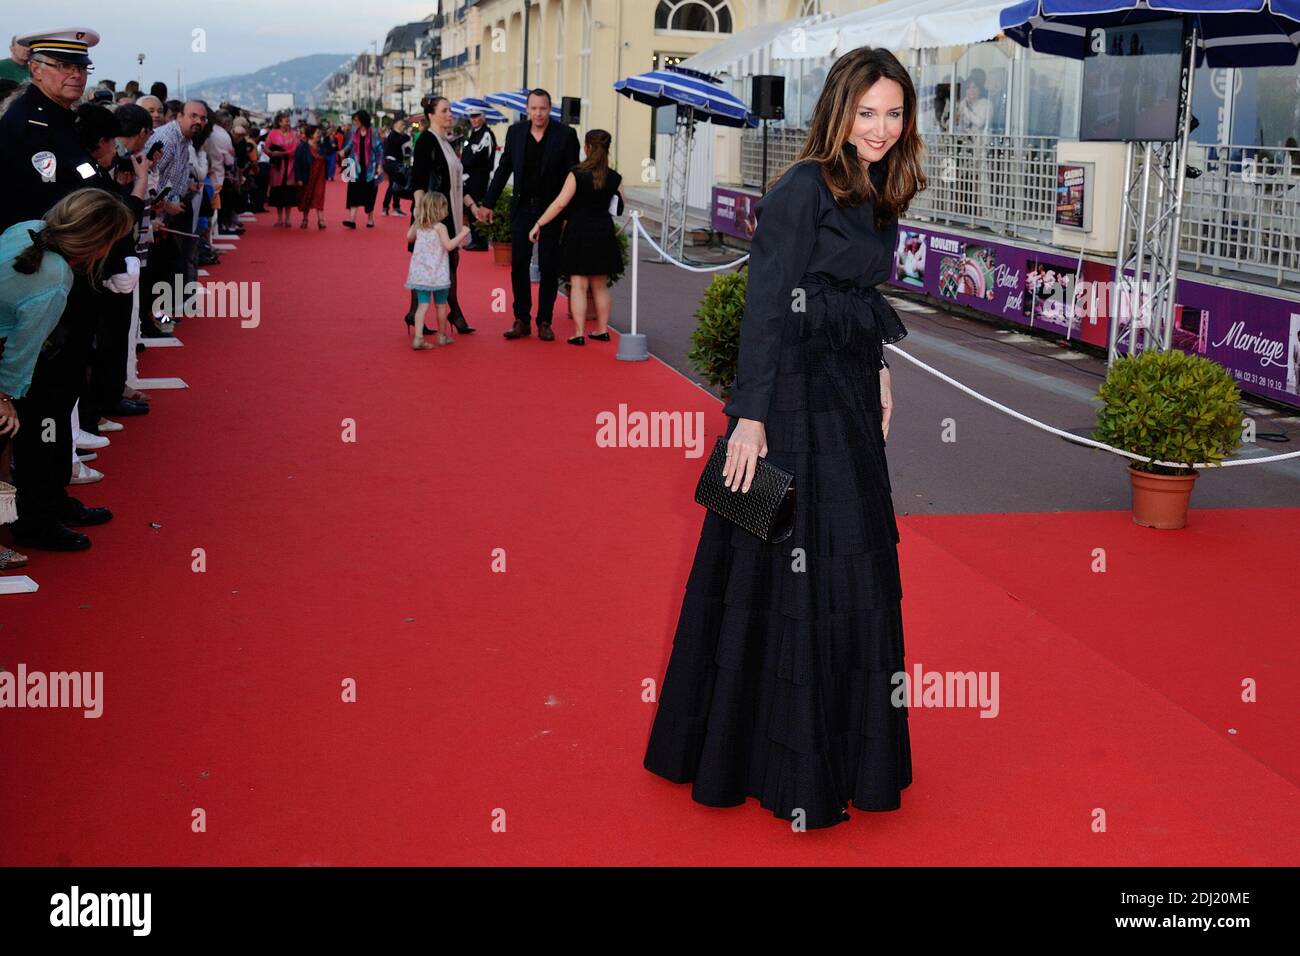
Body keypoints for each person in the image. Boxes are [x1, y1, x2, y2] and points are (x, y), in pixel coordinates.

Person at [642, 46, 925, 829]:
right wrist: (749, 418)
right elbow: (767, 304)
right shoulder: (803, 187)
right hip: (792, 401)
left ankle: (838, 743)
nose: (880, 127)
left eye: (894, 113)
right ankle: (751, 749)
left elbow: (858, 295)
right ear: (837, 111)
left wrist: (881, 372)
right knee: (777, 562)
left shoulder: (879, 190)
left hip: (847, 399)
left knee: (855, 566)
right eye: (866, 112)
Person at [2, 190, 135, 551]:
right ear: (98, 242)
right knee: (40, 433)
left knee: (53, 424)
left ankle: (51, 501)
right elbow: (21, 350)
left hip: (41, 355)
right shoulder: (55, 280)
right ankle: (36, 520)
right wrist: (5, 396)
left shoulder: (29, 229)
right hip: (21, 360)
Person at [477, 88, 580, 341]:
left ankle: (545, 320)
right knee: (519, 264)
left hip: (552, 210)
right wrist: (488, 203)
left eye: (543, 108)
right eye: (533, 108)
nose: (538, 113)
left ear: (549, 108)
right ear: (527, 109)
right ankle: (521, 319)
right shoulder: (516, 132)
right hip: (522, 208)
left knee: (548, 265)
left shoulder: (566, 135)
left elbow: (573, 176)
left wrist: (568, 213)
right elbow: (503, 169)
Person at [528, 128, 625, 345]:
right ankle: (602, 330)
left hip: (579, 231)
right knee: (600, 285)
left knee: (579, 284)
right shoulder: (615, 177)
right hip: (603, 231)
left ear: (586, 148)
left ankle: (579, 333)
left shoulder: (576, 173)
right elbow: (618, 208)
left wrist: (539, 223)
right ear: (607, 149)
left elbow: (560, 203)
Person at [408, 95, 479, 335]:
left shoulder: (445, 142)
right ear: (431, 115)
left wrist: (472, 206)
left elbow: (458, 182)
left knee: (441, 262)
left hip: (448, 211)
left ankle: (414, 311)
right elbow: (417, 179)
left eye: (450, 110)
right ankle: (455, 313)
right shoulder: (427, 140)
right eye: (445, 110)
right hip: (434, 213)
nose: (450, 114)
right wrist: (421, 215)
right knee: (442, 262)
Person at [405, 191, 470, 350]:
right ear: (437, 209)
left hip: (421, 274)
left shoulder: (419, 224)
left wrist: (415, 219)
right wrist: (462, 234)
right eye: (444, 208)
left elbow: (409, 237)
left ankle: (418, 337)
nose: (446, 212)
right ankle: (441, 336)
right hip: (438, 274)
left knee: (422, 306)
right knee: (441, 305)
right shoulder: (440, 227)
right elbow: (448, 246)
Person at [461, 106, 497, 251]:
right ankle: (475, 239)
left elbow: (479, 156)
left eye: (476, 116)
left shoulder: (486, 134)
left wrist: (465, 165)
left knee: (477, 205)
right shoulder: (474, 133)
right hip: (470, 176)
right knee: (471, 208)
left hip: (479, 177)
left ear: (483, 117)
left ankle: (480, 241)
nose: (474, 119)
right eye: (471, 117)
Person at [341, 109, 382, 229]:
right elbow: (350, 145)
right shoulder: (354, 131)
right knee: (353, 191)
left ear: (363, 120)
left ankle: (370, 219)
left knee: (370, 193)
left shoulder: (373, 132)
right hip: (355, 167)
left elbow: (380, 150)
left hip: (370, 168)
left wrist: (379, 165)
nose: (354, 122)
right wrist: (344, 150)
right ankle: (351, 219)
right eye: (354, 120)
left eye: (356, 120)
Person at [266, 111, 299, 228]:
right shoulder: (272, 133)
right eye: (285, 121)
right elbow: (266, 147)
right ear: (279, 122)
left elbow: (295, 149)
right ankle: (279, 218)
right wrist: (272, 153)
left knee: (289, 193)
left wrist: (282, 153)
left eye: (288, 121)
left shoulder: (294, 135)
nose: (288, 124)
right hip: (277, 167)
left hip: (290, 166)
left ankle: (288, 218)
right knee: (278, 193)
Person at [381, 118, 410, 216]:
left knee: (396, 184)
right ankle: (387, 208)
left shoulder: (396, 135)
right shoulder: (393, 135)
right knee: (394, 185)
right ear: (396, 124)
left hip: (393, 163)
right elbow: (403, 140)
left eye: (403, 125)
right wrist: (408, 134)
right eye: (401, 124)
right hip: (391, 163)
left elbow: (406, 151)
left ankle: (394, 207)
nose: (403, 126)